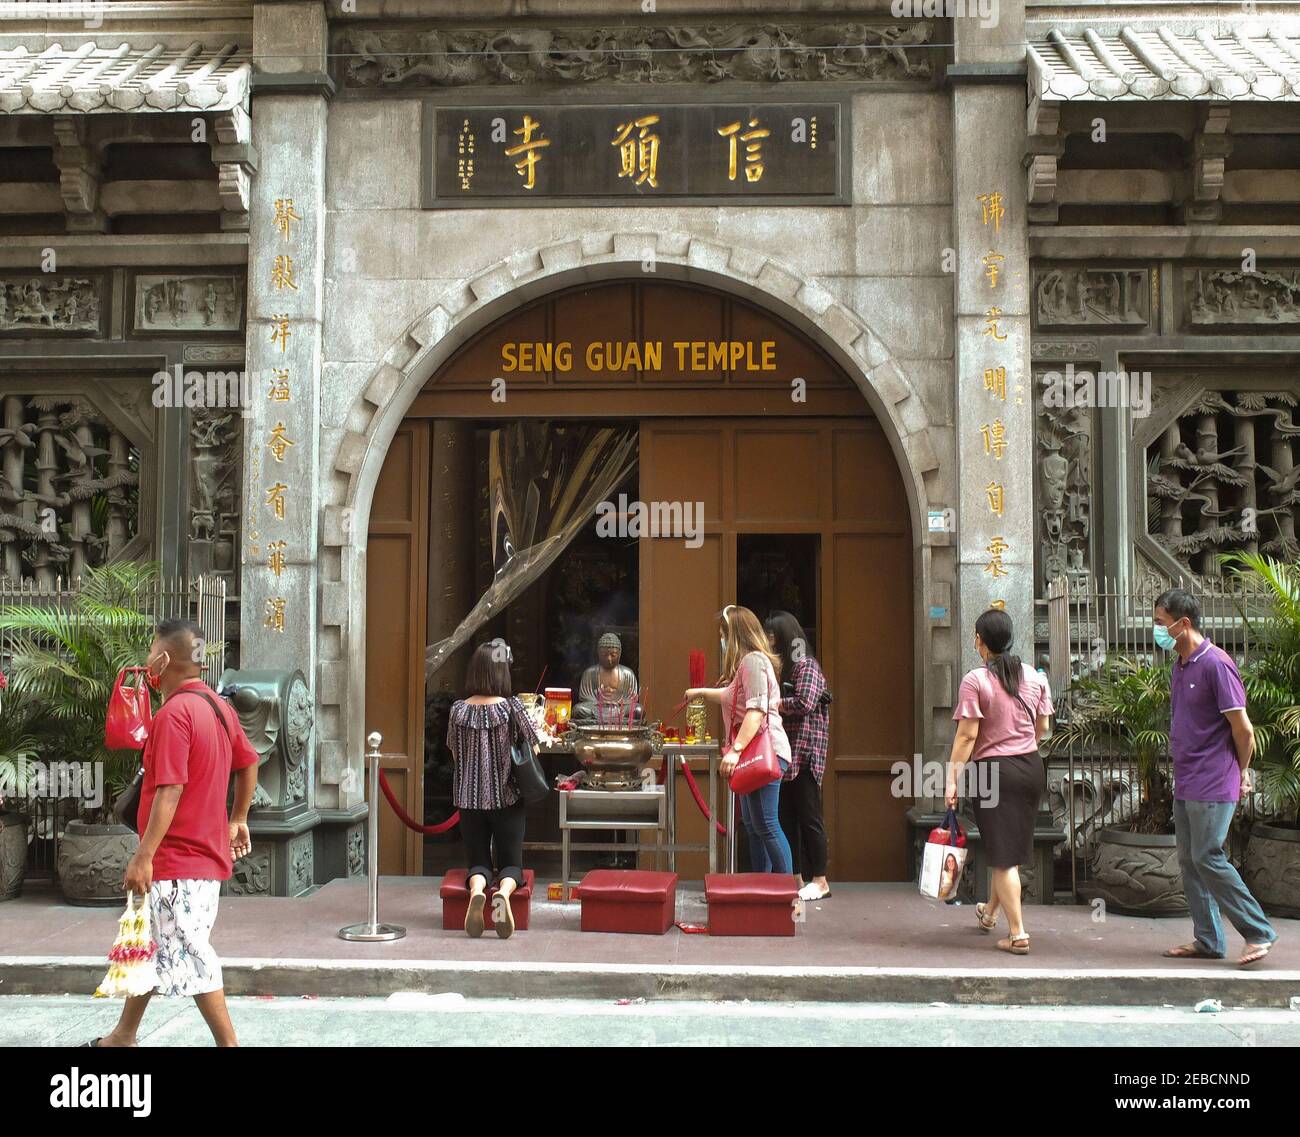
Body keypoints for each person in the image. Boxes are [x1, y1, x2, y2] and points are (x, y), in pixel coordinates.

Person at [88, 619, 259, 1047]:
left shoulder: (173, 714)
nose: (147, 662)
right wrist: (238, 817)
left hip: (176, 860)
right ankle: (123, 1036)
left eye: (151, 653)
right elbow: (249, 761)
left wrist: (143, 855)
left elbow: (170, 789)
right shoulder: (219, 707)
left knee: (193, 953)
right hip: (202, 859)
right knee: (151, 944)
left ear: (164, 660)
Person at [1154, 588, 1277, 966]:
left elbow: (1244, 730)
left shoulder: (1216, 664)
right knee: (1190, 861)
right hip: (1187, 778)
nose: (1156, 630)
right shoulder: (1180, 665)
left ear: (1182, 624)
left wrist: (1242, 772)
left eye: (1160, 623)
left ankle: (1258, 931)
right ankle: (1208, 939)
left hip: (1214, 779)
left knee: (1208, 856)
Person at [945, 609, 1052, 955]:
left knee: (1003, 856)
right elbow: (1043, 728)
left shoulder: (975, 681)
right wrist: (1021, 744)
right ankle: (990, 912)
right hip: (1031, 768)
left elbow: (966, 736)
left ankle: (1018, 933)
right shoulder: (1035, 677)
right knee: (1008, 848)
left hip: (994, 773)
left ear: (979, 640)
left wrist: (951, 780)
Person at [686, 604, 793, 874]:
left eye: (723, 634)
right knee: (755, 827)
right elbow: (729, 696)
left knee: (767, 825)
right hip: (754, 754)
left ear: (734, 634)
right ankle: (762, 888)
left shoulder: (754, 662)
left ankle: (785, 892)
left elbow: (756, 712)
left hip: (765, 752)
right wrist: (700, 692)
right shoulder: (747, 664)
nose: (722, 641)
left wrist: (735, 750)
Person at [446, 639, 540, 938]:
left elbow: (454, 753)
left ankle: (477, 891)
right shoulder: (512, 708)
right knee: (511, 863)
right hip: (507, 799)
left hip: (469, 801)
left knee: (477, 861)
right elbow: (533, 748)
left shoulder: (457, 711)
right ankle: (503, 893)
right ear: (502, 672)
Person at [765, 610, 831, 901]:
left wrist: (775, 703)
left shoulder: (807, 666)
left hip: (805, 755)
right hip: (786, 755)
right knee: (786, 818)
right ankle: (795, 878)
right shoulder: (784, 669)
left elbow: (805, 702)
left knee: (810, 818)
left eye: (771, 635)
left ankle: (820, 880)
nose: (768, 641)